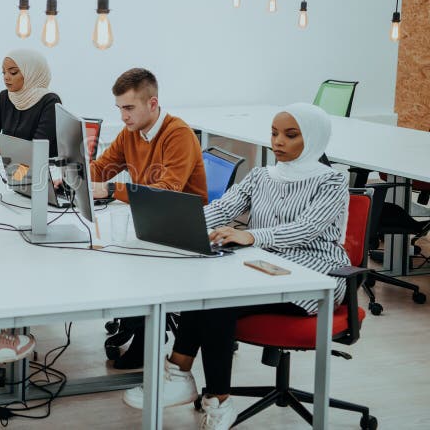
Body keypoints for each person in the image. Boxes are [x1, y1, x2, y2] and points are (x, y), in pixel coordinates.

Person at [122, 103, 351, 430]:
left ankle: (215, 398)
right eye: (274, 133)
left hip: (314, 273)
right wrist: (172, 224)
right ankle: (181, 377)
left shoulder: (331, 181)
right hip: (264, 263)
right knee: (205, 291)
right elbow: (223, 208)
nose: (278, 142)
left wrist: (250, 236)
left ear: (313, 139)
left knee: (219, 302)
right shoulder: (262, 175)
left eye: (290, 135)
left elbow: (307, 229)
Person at [90, 68, 207, 204]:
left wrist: (111, 189)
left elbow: (167, 192)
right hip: (149, 212)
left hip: (185, 219)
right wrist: (71, 180)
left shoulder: (179, 135)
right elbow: (101, 169)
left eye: (129, 108)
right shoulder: (130, 132)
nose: (123, 117)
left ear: (152, 104)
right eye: (120, 108)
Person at [0, 49, 62, 157]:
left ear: (31, 73)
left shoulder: (50, 102)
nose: (6, 77)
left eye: (13, 72)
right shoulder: (4, 97)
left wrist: (2, 148)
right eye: (4, 72)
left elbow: (39, 148)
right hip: (13, 168)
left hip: (42, 170)